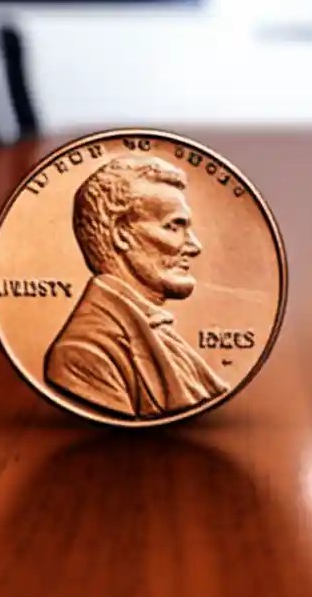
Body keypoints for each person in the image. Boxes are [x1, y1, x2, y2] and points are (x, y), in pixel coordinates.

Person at [44, 154, 228, 419]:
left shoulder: (157, 331)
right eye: (174, 226)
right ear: (121, 233)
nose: (195, 246)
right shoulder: (82, 354)